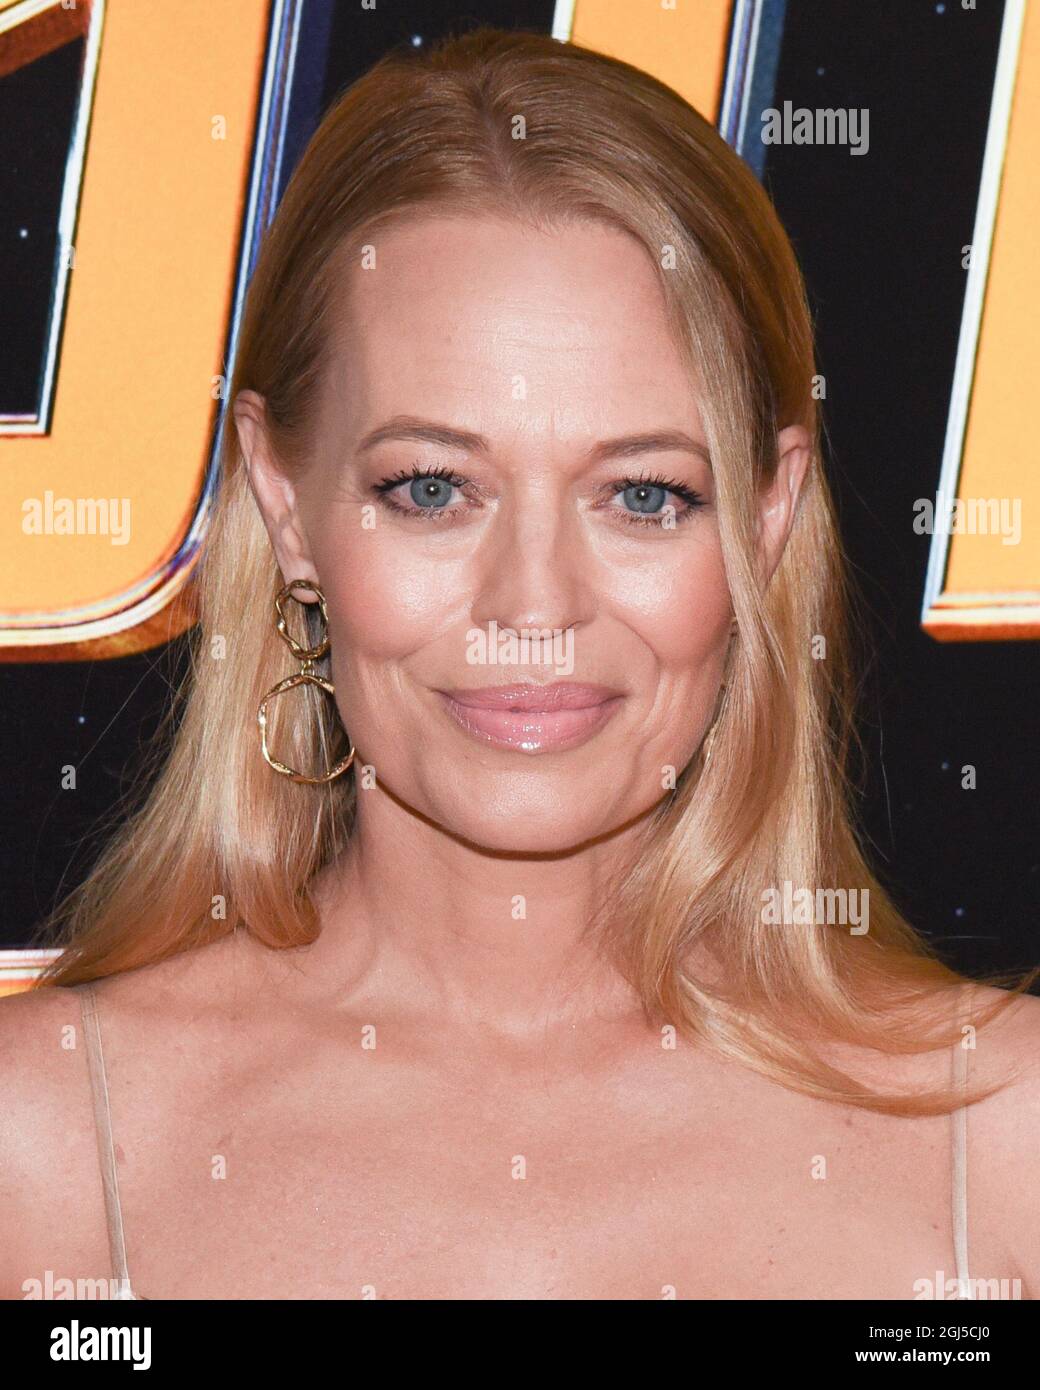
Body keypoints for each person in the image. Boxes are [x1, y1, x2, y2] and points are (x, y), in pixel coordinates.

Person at [2, 27, 1038, 1302]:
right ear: (284, 501)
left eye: (643, 495)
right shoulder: (44, 1148)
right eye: (432, 488)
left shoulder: (999, 1143)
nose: (532, 604)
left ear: (766, 520)